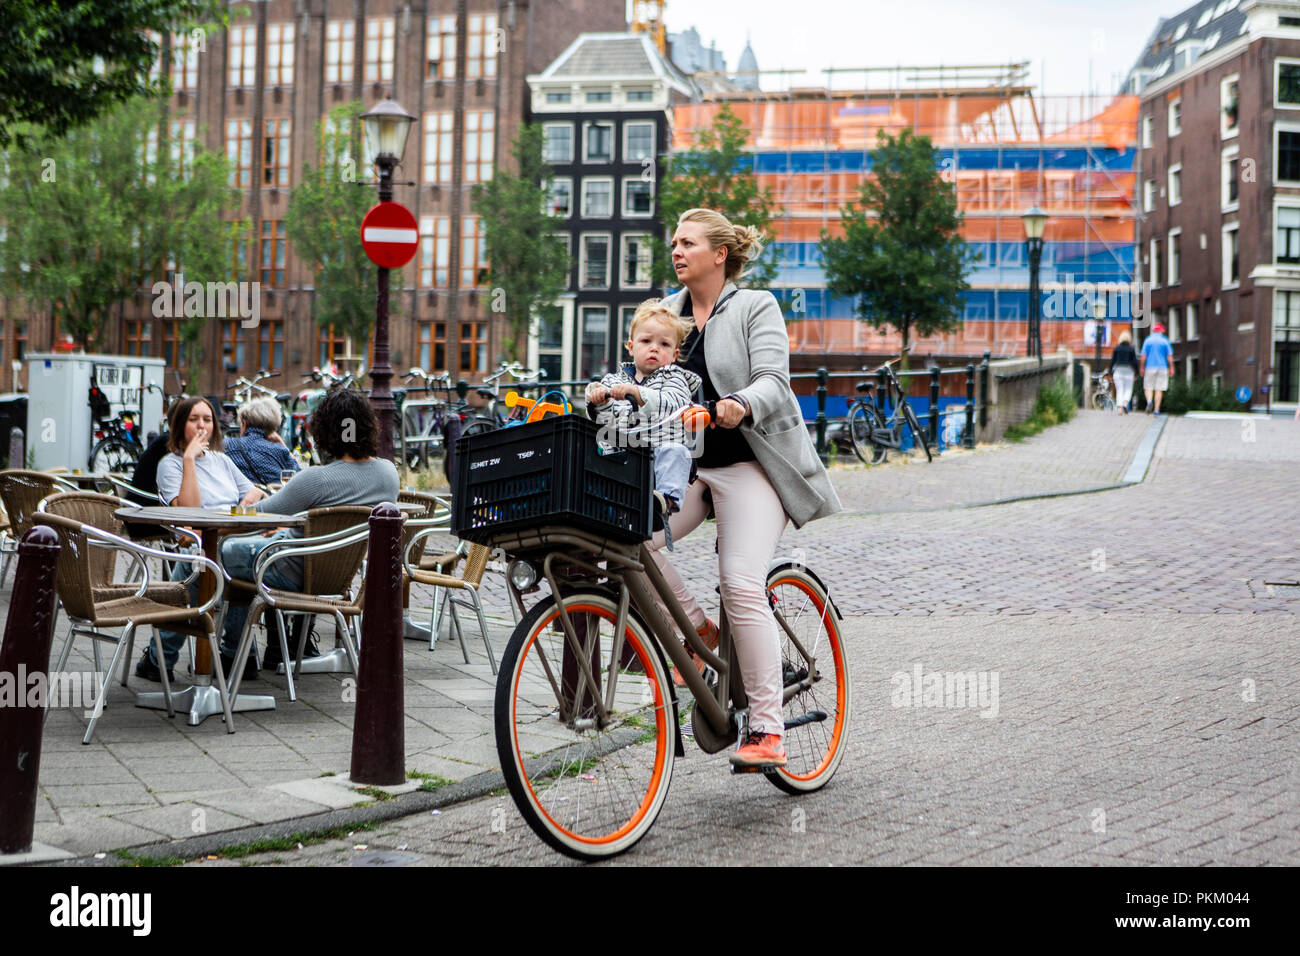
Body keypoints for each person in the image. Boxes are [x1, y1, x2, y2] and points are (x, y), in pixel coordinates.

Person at [649, 208, 842, 771]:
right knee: (633, 539)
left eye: (688, 243)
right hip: (687, 468)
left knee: (739, 581)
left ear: (720, 255)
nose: (677, 251)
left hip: (751, 467)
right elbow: (645, 370)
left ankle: (767, 726)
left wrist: (742, 403)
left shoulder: (755, 306)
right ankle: (698, 630)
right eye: (675, 242)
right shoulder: (669, 314)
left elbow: (775, 383)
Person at [215, 388, 400, 677]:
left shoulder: (315, 479)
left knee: (221, 552)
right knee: (248, 556)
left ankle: (225, 652)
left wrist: (226, 514)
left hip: (288, 569)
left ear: (323, 433)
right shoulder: (389, 474)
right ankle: (251, 653)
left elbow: (259, 516)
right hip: (337, 576)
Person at [134, 397, 267, 682]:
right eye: (194, 419)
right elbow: (189, 514)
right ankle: (235, 654)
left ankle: (162, 659)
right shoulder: (171, 465)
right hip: (199, 544)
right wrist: (189, 460)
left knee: (232, 561)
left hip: (230, 541)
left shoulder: (223, 460)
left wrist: (241, 507)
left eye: (207, 419)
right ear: (180, 425)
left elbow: (256, 492)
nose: (202, 426)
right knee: (199, 565)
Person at [585, 299, 701, 513]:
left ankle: (665, 501)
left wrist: (640, 394)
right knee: (595, 447)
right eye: (646, 341)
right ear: (631, 347)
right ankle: (598, 501)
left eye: (664, 344)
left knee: (677, 451)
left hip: (659, 448)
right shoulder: (614, 380)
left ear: (675, 355)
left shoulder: (675, 378)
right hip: (623, 449)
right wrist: (600, 399)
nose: (654, 348)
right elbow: (603, 417)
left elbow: (673, 403)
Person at [224, 396, 300, 485]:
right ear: (273, 428)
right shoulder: (280, 451)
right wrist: (282, 443)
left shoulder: (225, 445)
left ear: (244, 424)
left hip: (238, 498)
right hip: (272, 497)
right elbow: (299, 478)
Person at [1140, 322, 1174, 415]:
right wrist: (1171, 367)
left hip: (1150, 367)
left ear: (1153, 330)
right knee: (1159, 389)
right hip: (1162, 367)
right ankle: (1156, 410)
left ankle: (1149, 402)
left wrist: (1142, 367)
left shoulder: (1148, 340)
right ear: (1161, 331)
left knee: (1148, 387)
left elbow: (1143, 356)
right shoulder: (1165, 341)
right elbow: (1169, 356)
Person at [1109, 331, 1140, 415]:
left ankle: (1120, 409)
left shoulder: (1116, 348)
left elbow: (1112, 361)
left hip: (1118, 370)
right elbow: (1135, 362)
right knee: (1128, 389)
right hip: (1129, 371)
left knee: (1119, 390)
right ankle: (1125, 404)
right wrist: (1137, 373)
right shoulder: (1131, 349)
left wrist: (1110, 373)